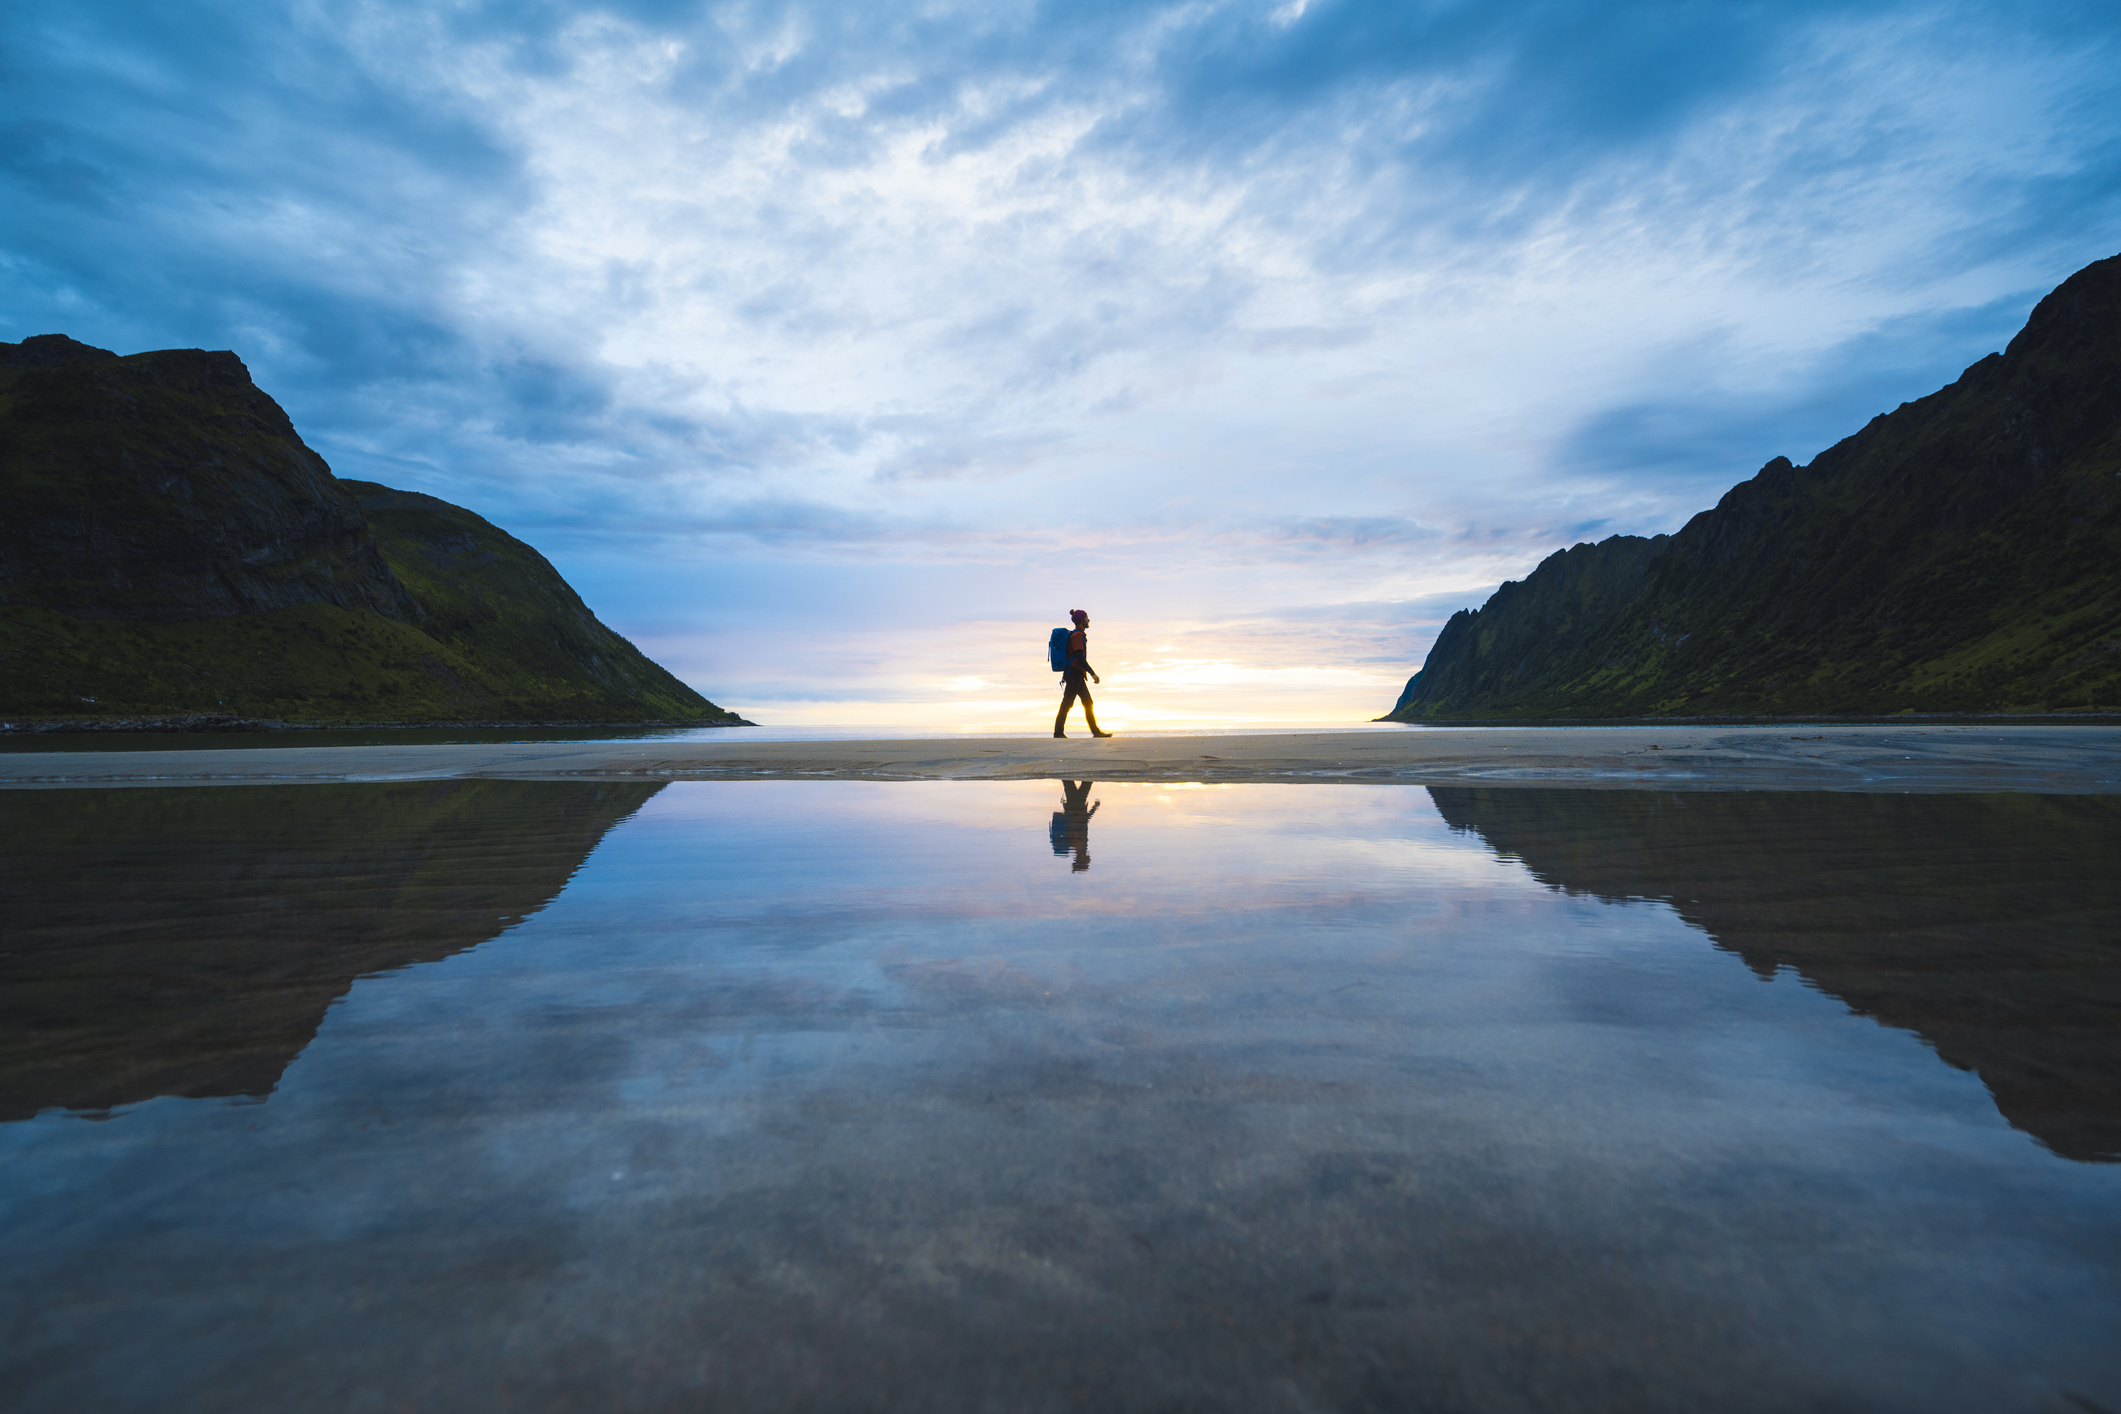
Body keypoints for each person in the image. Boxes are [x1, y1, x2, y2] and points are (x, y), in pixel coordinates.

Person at [1054, 609, 1112, 738]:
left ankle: (1095, 732)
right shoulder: (1077, 636)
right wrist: (1093, 673)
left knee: (1087, 702)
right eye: (1087, 618)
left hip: (1077, 674)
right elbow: (1079, 656)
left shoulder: (1078, 635)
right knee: (1067, 703)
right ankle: (1058, 733)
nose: (1089, 620)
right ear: (1081, 621)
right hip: (1074, 673)